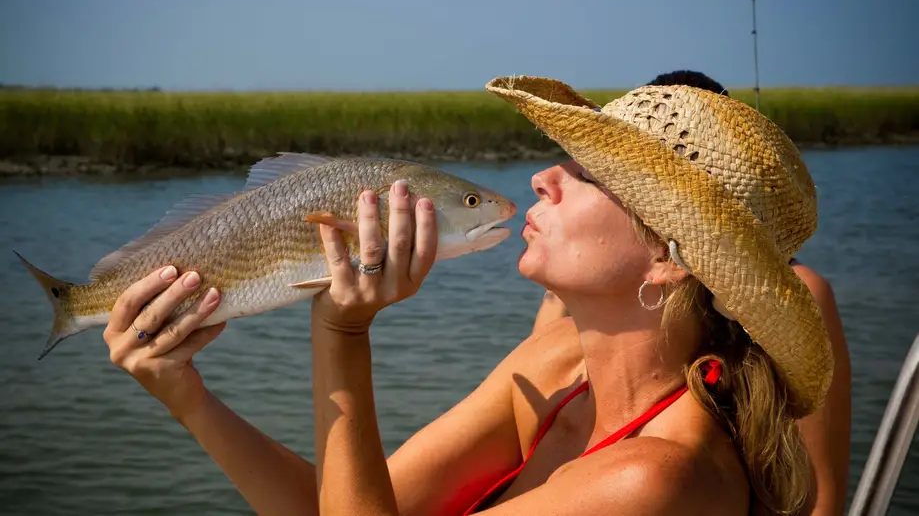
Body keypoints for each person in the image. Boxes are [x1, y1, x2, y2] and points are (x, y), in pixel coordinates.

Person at [103, 74, 837, 516]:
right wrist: (186, 395)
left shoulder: (653, 478)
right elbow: (332, 506)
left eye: (588, 175)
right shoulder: (557, 372)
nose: (545, 176)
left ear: (669, 262)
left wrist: (342, 333)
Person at [532, 70, 852, 516]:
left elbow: (817, 495)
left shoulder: (798, 295)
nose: (545, 180)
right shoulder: (567, 310)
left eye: (593, 174)